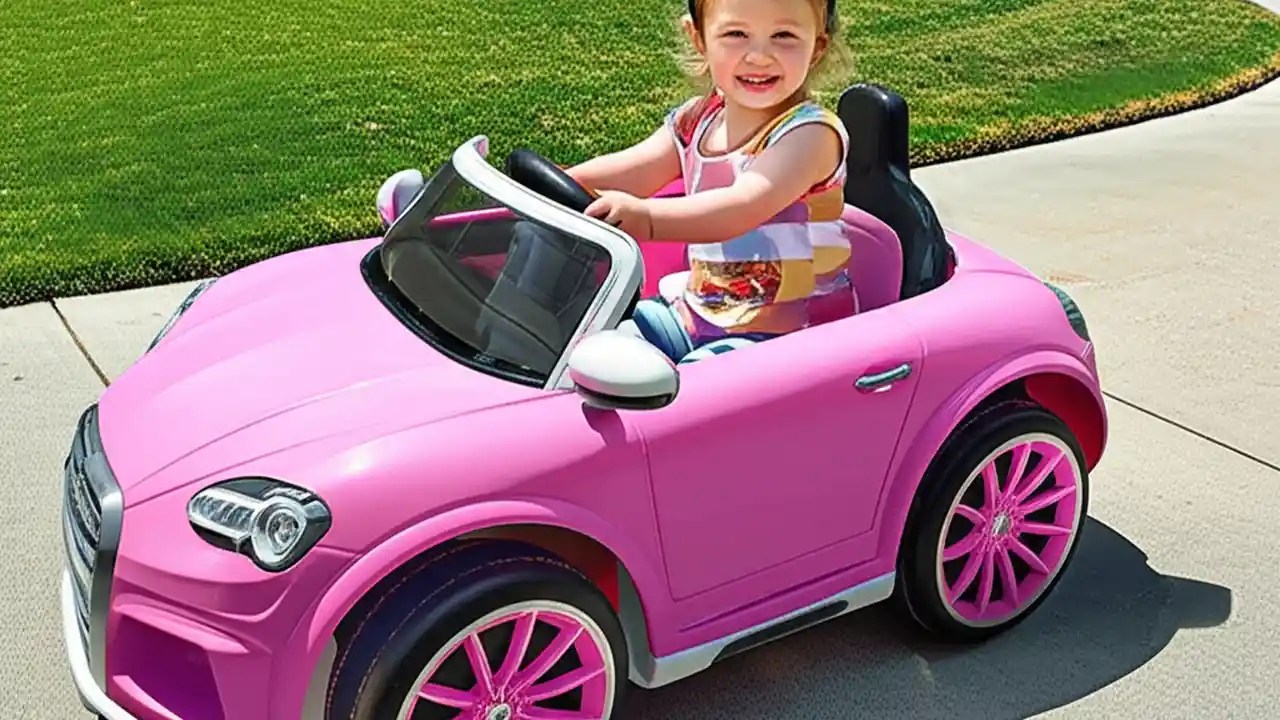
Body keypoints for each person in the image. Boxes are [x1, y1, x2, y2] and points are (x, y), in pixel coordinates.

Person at [565, 0, 856, 363]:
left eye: (783, 36)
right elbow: (633, 169)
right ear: (699, 38)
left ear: (817, 47)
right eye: (737, 34)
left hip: (793, 335)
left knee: (694, 391)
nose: (759, 56)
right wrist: (564, 180)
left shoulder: (810, 135)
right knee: (598, 346)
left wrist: (647, 219)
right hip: (702, 311)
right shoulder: (699, 118)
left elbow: (742, 206)